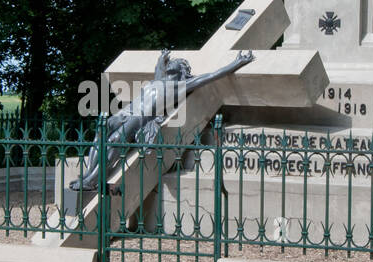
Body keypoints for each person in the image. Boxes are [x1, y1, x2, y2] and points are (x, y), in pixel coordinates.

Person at [70, 48, 255, 191]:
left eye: (177, 62)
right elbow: (158, 67)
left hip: (140, 117)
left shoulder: (180, 85)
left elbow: (211, 76)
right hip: (124, 112)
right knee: (99, 137)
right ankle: (87, 175)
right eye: (171, 63)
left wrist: (237, 63)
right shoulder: (160, 78)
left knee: (113, 143)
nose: (172, 63)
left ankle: (93, 180)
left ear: (182, 69)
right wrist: (162, 58)